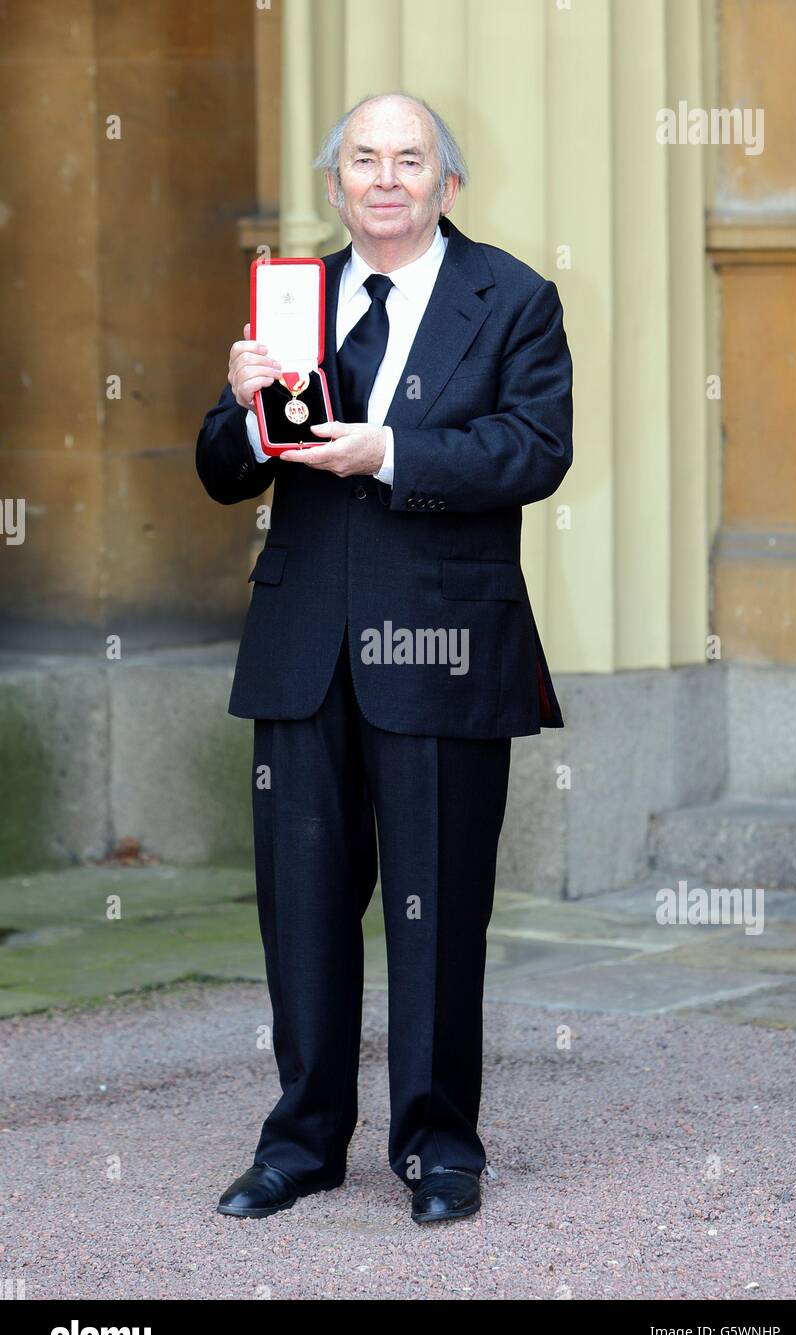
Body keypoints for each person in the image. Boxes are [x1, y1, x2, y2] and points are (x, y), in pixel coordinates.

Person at [195, 92, 573, 1224]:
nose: (387, 178)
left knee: (436, 908)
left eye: (410, 160)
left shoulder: (511, 296)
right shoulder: (291, 298)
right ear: (335, 184)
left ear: (446, 185)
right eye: (364, 159)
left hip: (445, 645)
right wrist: (248, 403)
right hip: (302, 648)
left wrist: (388, 451)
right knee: (300, 908)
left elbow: (533, 449)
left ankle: (437, 1144)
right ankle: (302, 1141)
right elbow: (221, 469)